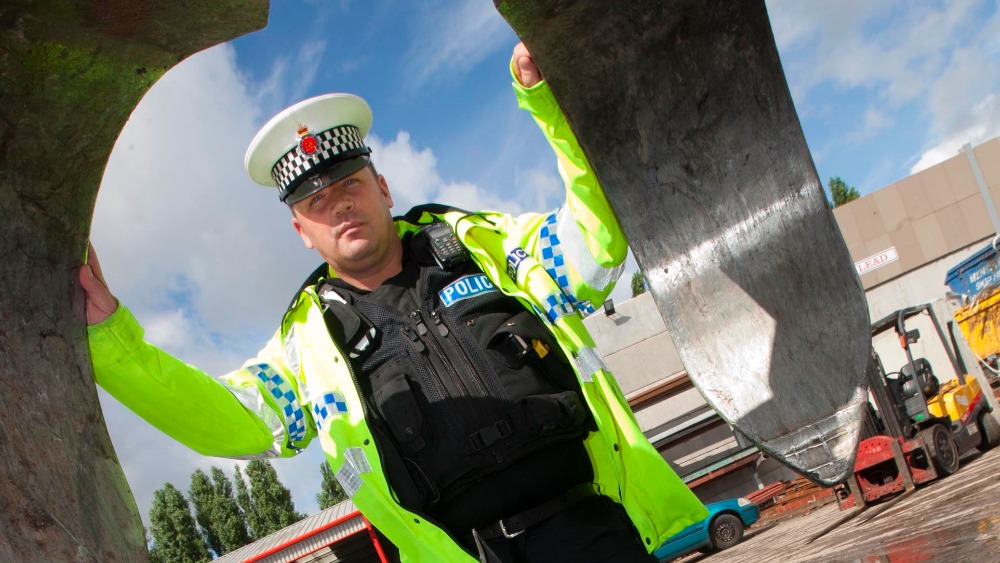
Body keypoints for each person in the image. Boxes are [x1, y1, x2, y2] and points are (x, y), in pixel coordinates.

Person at [81, 43, 706, 562]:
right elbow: (228, 419)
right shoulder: (309, 343)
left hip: (592, 535)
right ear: (301, 231)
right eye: (316, 203)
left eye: (349, 184)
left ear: (382, 187)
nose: (339, 205)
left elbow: (595, 246)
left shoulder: (487, 248)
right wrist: (111, 338)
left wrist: (549, 103)